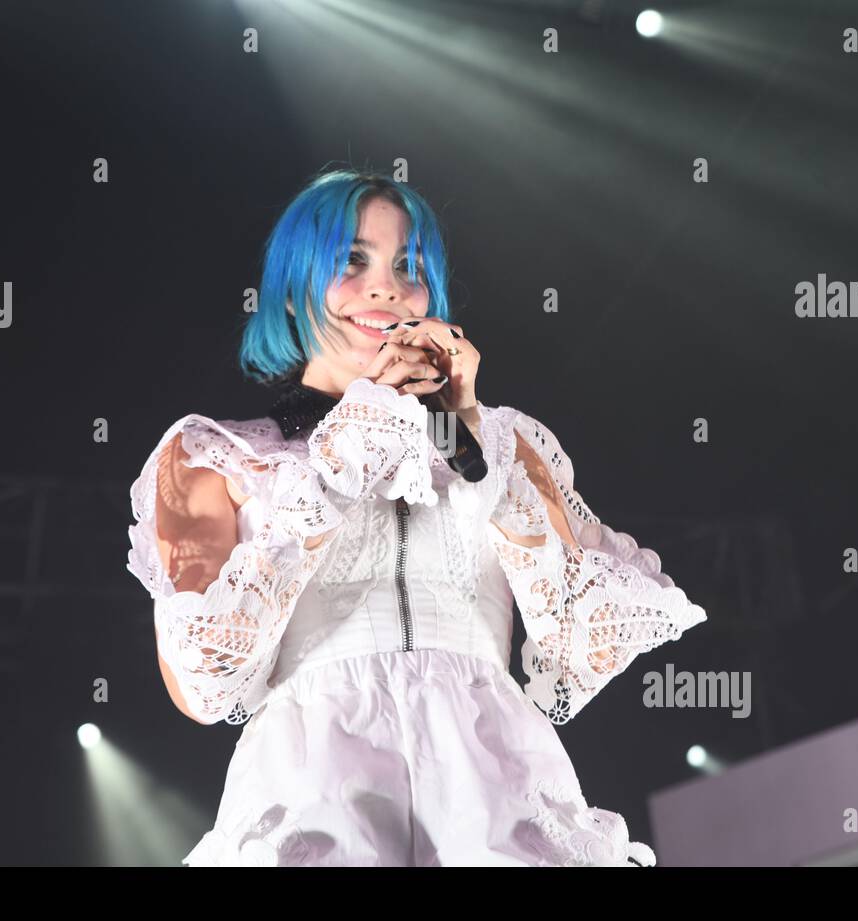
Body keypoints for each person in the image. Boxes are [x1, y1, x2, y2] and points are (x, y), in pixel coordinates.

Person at [125, 168, 708, 866]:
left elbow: (575, 654)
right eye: (352, 262)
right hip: (314, 798)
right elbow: (203, 684)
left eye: (410, 266)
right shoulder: (221, 457)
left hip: (497, 795)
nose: (387, 287)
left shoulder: (500, 442)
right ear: (289, 286)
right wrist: (338, 467)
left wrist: (473, 441)